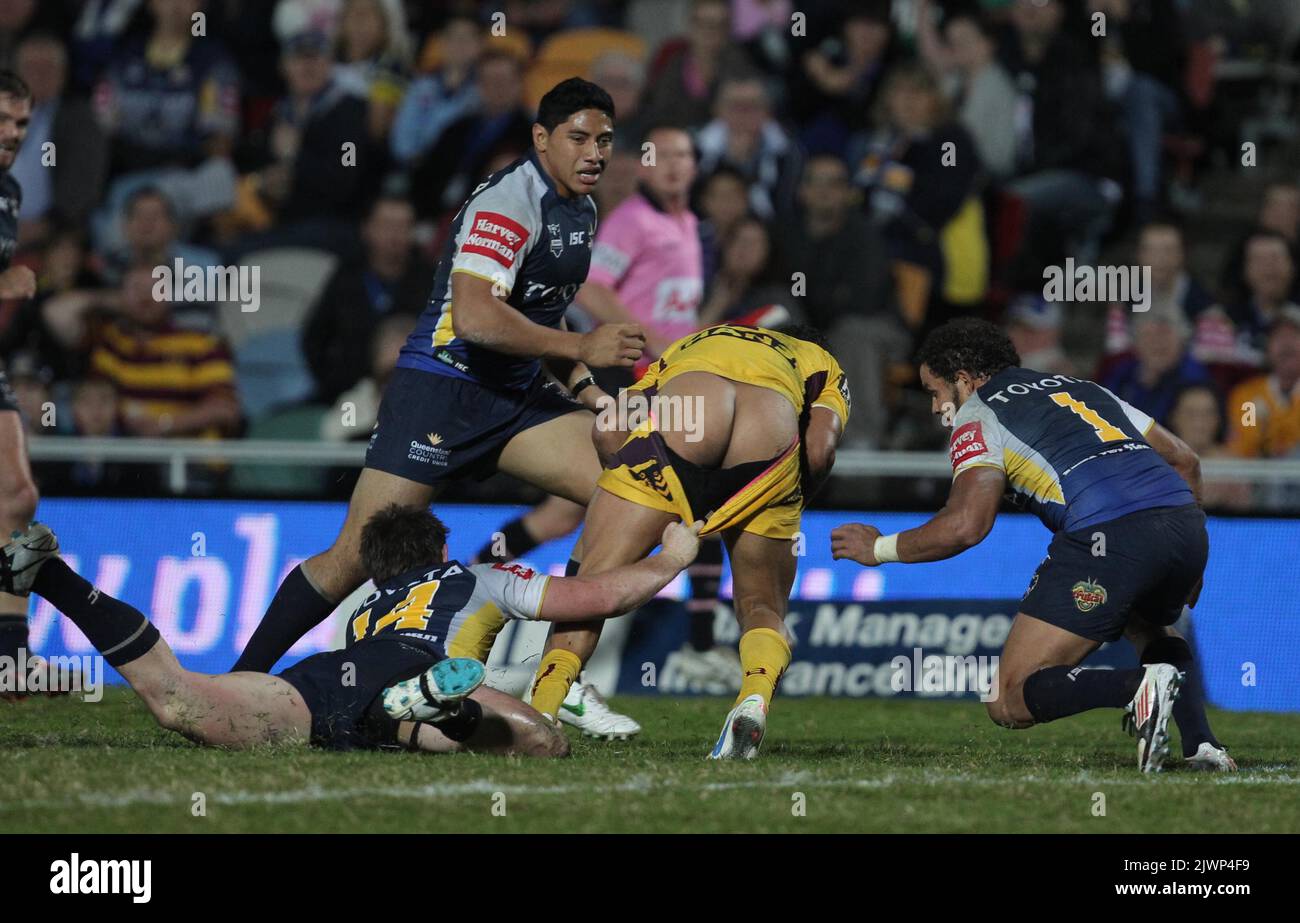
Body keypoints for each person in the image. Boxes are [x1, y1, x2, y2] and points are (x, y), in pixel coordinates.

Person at [230, 78, 648, 736]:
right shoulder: (509, 203)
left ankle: (556, 680)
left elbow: (538, 313)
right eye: (578, 137)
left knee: (631, 491)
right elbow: (478, 318)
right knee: (356, 556)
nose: (594, 151)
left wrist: (591, 391)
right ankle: (237, 681)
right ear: (541, 139)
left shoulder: (583, 209)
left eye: (604, 140)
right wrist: (584, 344)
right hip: (442, 390)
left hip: (513, 395)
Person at [830, 318, 1234, 773]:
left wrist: (880, 548)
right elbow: (1185, 459)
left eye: (934, 391)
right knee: (1149, 627)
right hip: (1184, 525)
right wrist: (1193, 555)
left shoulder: (977, 415)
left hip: (1111, 535)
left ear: (963, 380)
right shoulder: (1083, 388)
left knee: (1009, 697)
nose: (935, 407)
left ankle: (1137, 688)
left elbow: (966, 525)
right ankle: (1202, 746)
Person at [0, 508, 703, 753]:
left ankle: (52, 577)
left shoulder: (359, 609)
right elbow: (599, 593)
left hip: (329, 683)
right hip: (416, 665)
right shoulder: (473, 578)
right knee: (542, 744)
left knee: (180, 698)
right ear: (437, 551)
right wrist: (670, 558)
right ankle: (437, 708)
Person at [527, 322, 850, 760]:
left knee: (589, 588)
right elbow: (820, 449)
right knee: (761, 607)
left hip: (690, 416)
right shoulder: (821, 363)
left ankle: (541, 712)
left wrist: (625, 483)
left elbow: (609, 426)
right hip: (768, 434)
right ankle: (753, 699)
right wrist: (786, 502)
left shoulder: (697, 340)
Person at [0, 70, 39, 699]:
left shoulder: (8, 190)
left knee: (15, 495)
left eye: (23, 126)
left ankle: (10, 663)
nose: (14, 134)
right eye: (3, 121)